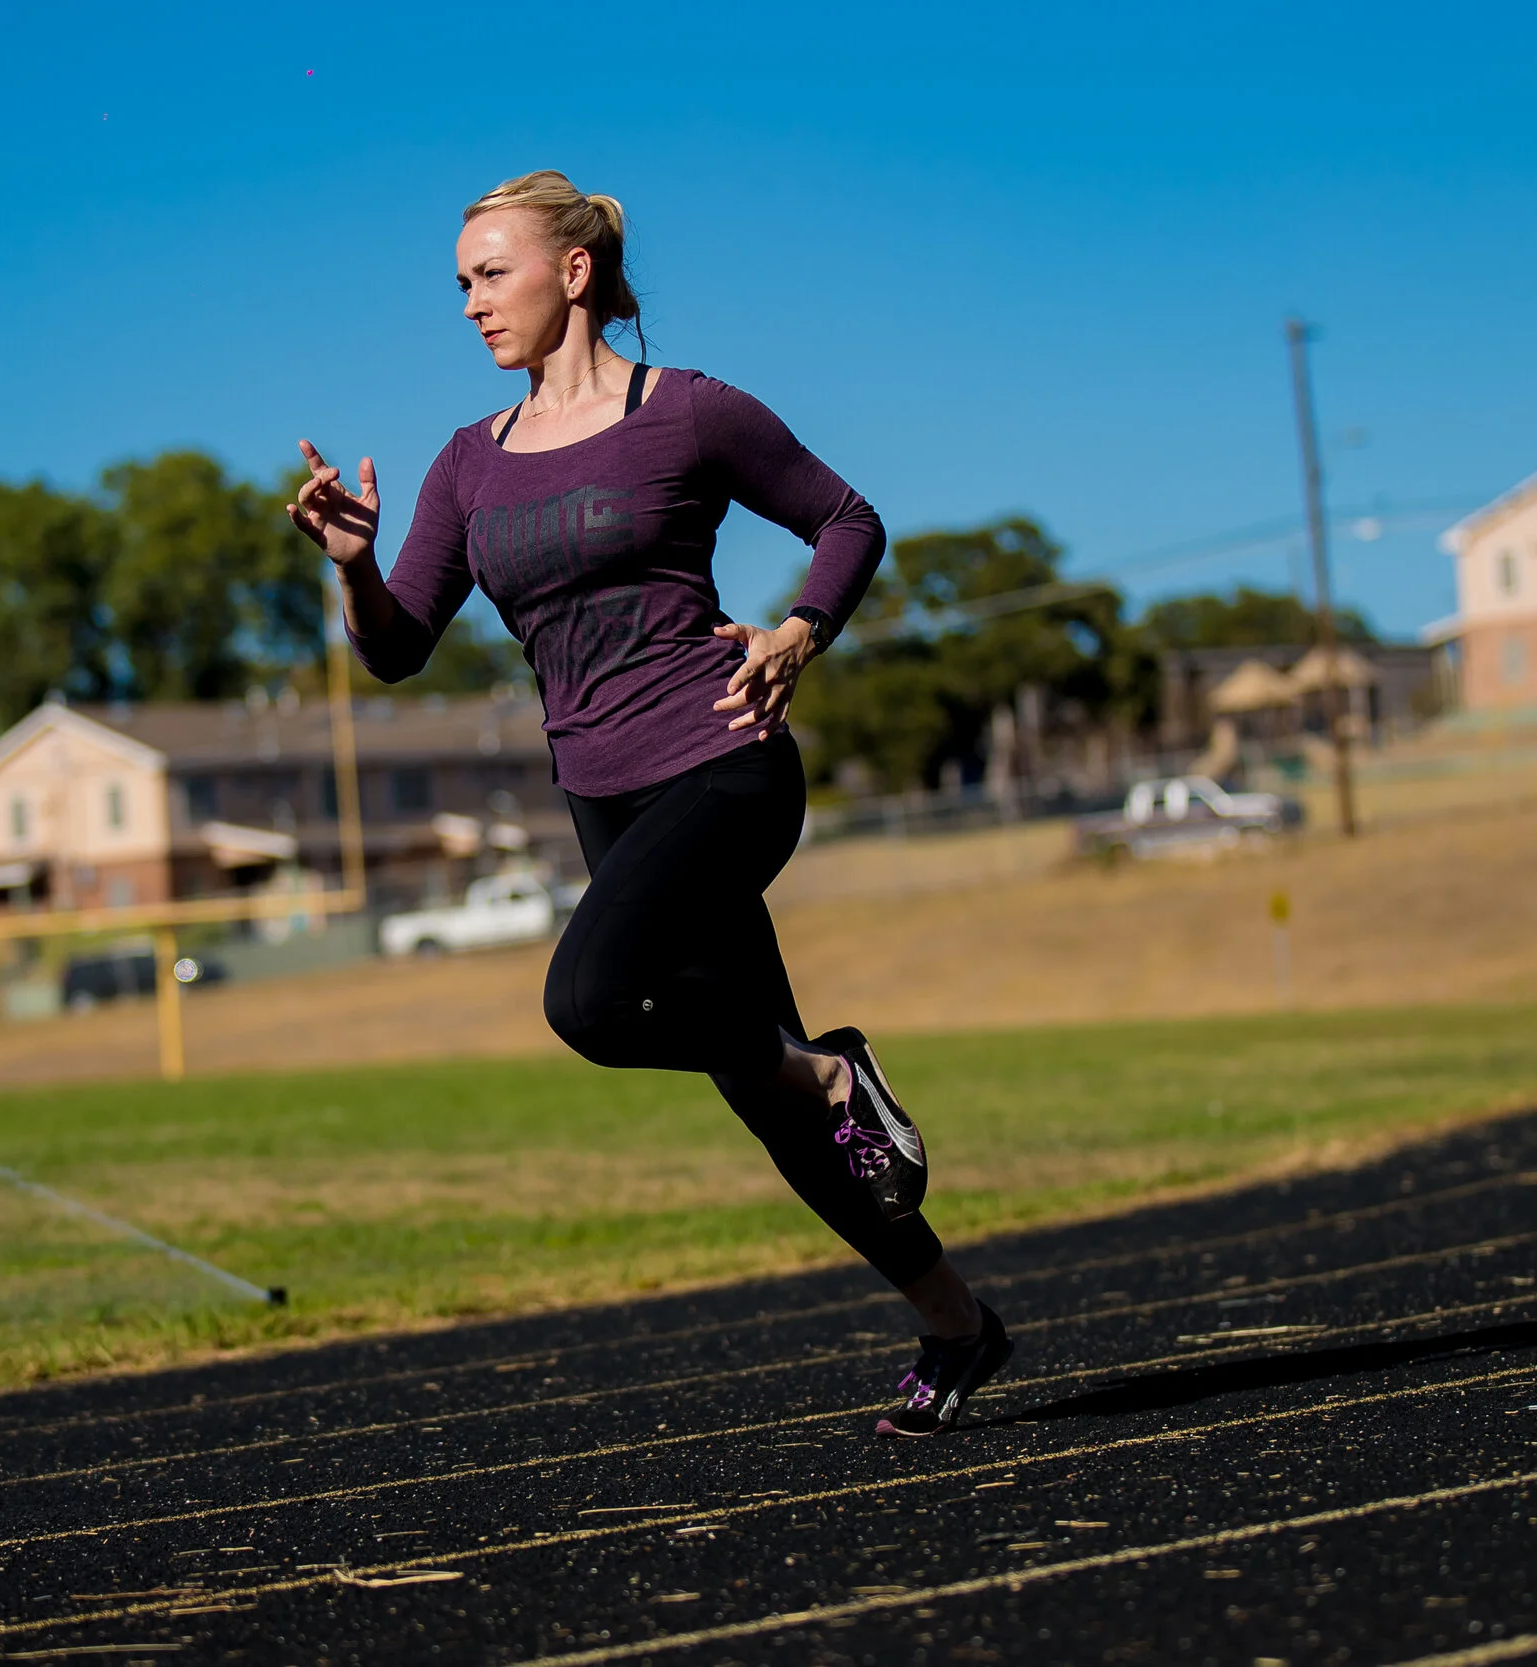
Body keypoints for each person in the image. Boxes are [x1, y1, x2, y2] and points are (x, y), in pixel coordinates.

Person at [291, 170, 1010, 1436]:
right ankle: (957, 1321)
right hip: (602, 796)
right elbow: (398, 646)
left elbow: (846, 518)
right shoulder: (467, 466)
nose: (469, 303)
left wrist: (799, 629)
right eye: (458, 283)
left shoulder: (687, 414)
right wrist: (354, 568)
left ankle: (839, 1079)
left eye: (489, 272)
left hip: (724, 759)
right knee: (759, 1085)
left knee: (587, 1001)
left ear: (572, 273)